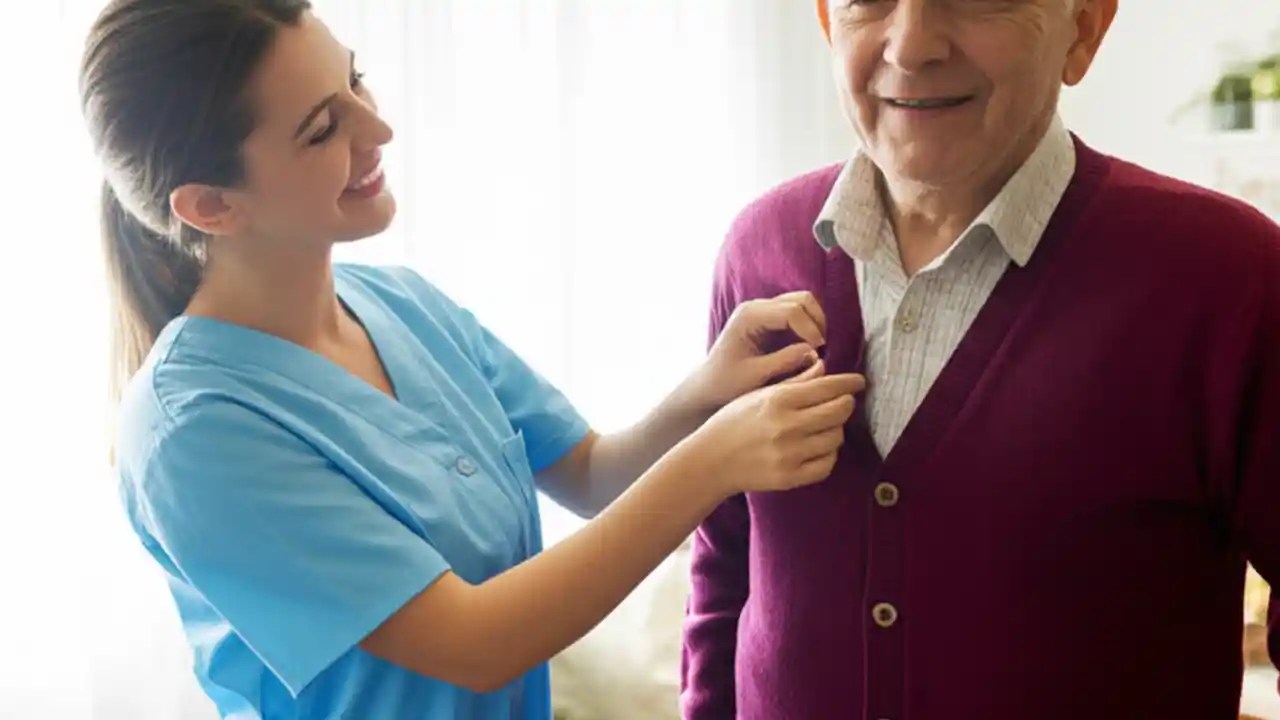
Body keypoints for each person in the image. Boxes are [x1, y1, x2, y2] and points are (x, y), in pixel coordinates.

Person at [80, 1, 866, 718]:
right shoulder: (194, 436)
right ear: (210, 205)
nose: (377, 131)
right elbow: (478, 645)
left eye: (356, 83)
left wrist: (710, 392)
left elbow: (592, 475)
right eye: (323, 128)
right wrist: (716, 463)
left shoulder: (403, 306)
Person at [681, 1, 1280, 718]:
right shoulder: (759, 253)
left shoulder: (1228, 277)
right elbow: (723, 573)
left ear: (1083, 28)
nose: (912, 46)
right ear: (824, 20)